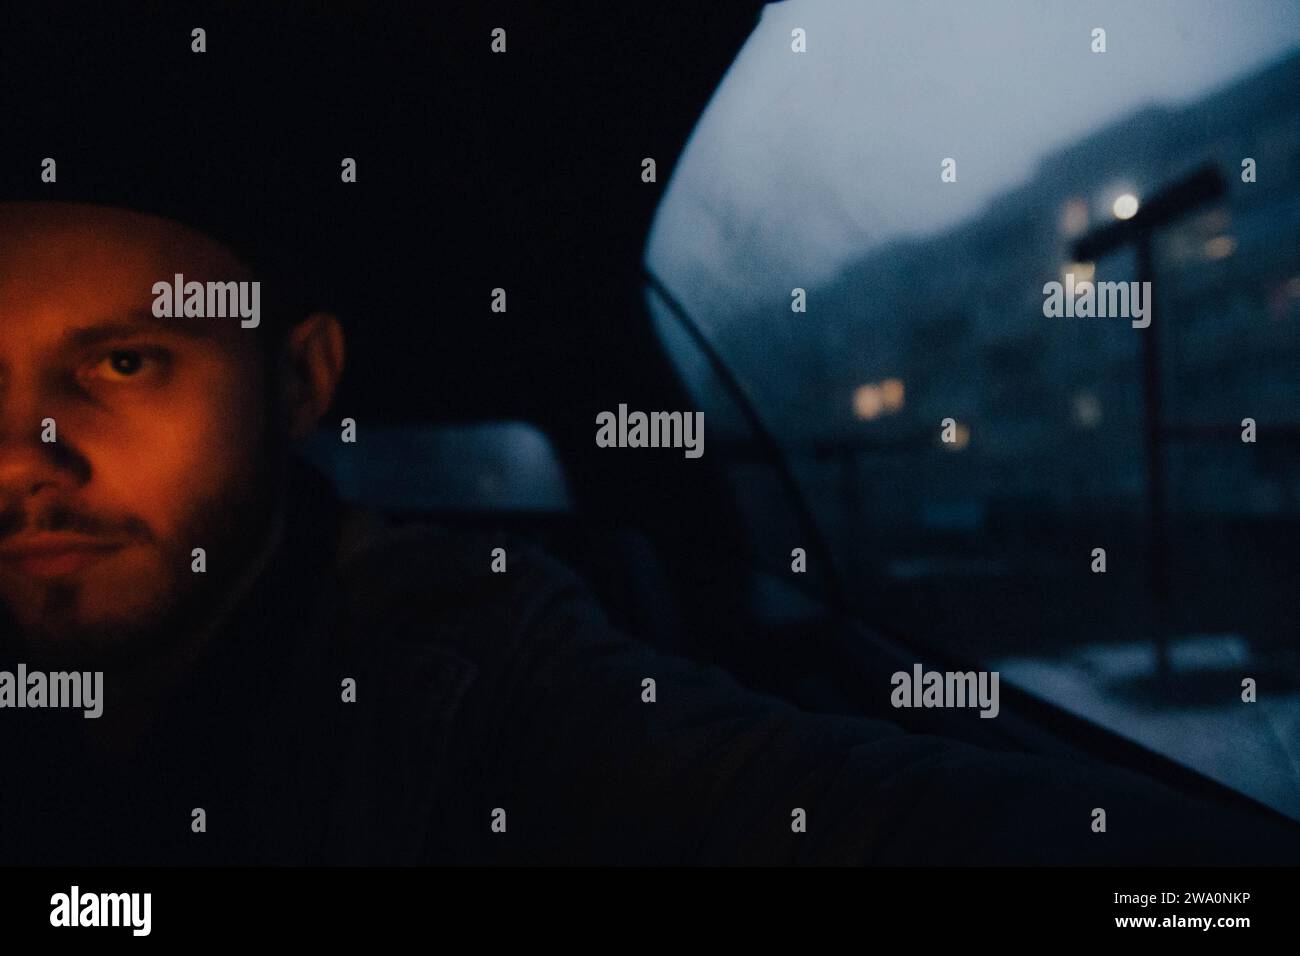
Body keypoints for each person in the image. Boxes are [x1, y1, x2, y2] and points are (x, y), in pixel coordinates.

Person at [0, 200, 1294, 866]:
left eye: (120, 363)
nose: (19, 459)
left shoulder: (459, 647)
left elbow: (810, 807)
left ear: (301, 381)